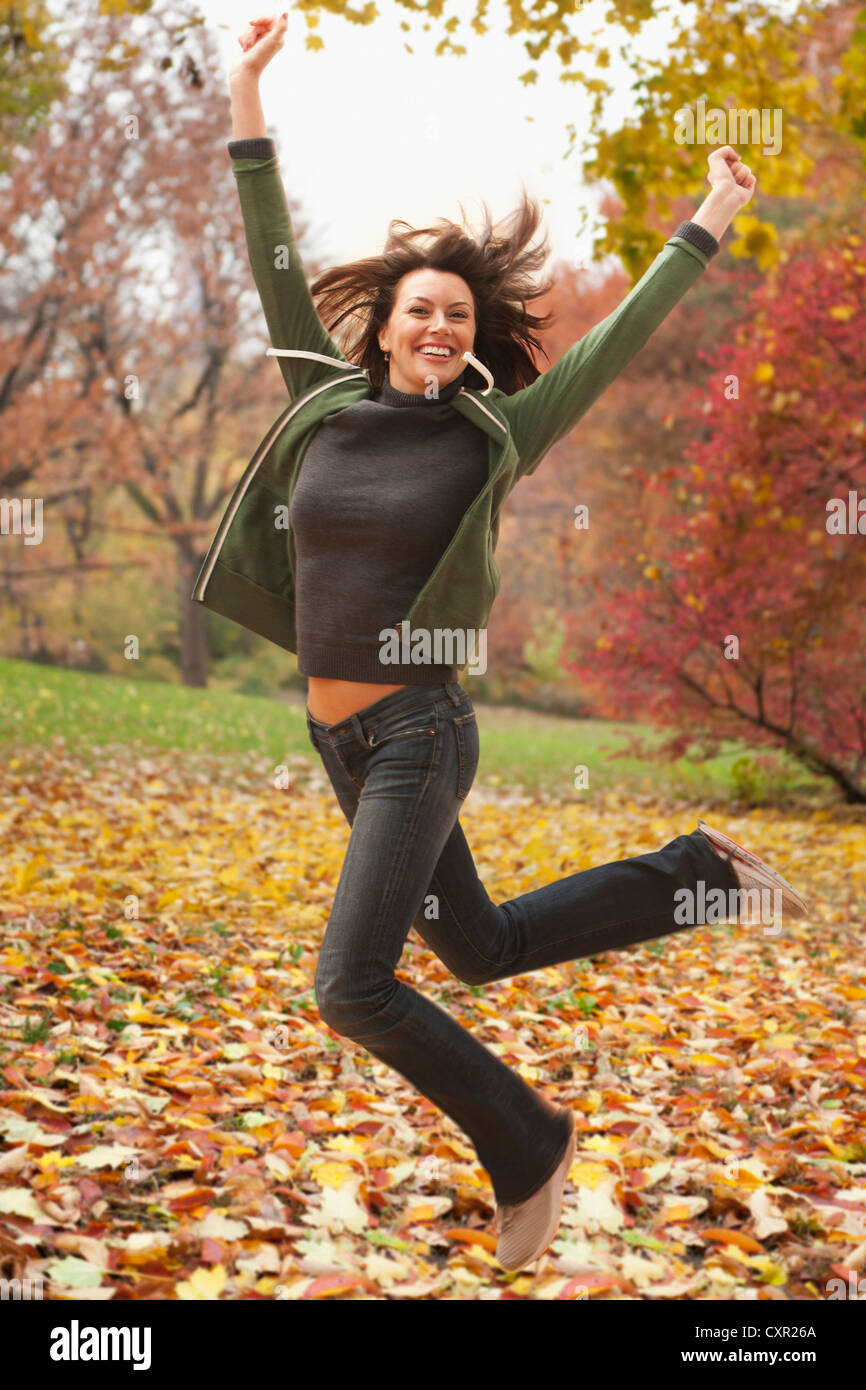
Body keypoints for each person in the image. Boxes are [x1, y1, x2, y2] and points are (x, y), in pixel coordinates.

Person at [201, 12, 810, 1273]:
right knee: (478, 949)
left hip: (421, 730)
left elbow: (608, 342)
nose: (440, 328)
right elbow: (268, 252)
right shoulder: (316, 402)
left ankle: (526, 1141)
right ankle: (695, 870)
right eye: (422, 311)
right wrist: (246, 94)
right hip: (337, 739)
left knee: (349, 988)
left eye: (458, 318)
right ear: (381, 326)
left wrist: (702, 219)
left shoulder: (494, 433)